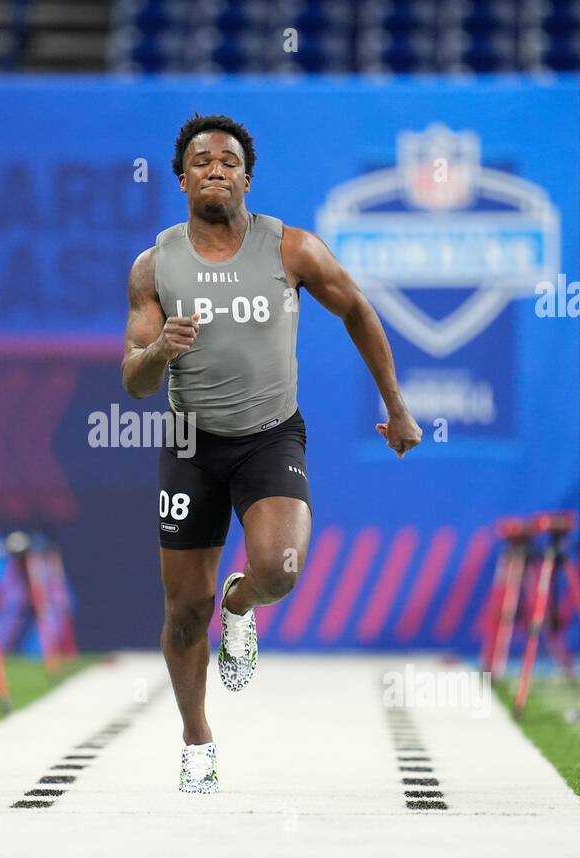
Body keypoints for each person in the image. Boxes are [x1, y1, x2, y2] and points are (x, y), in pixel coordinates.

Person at [120, 113, 420, 793]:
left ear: (246, 178)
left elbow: (359, 312)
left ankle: (241, 604)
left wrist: (396, 407)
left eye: (228, 161)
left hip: (269, 435)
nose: (216, 170)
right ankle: (198, 739)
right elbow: (132, 382)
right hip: (191, 445)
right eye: (202, 162)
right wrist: (160, 350)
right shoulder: (154, 266)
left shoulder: (291, 249)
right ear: (182, 179)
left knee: (280, 569)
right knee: (182, 612)